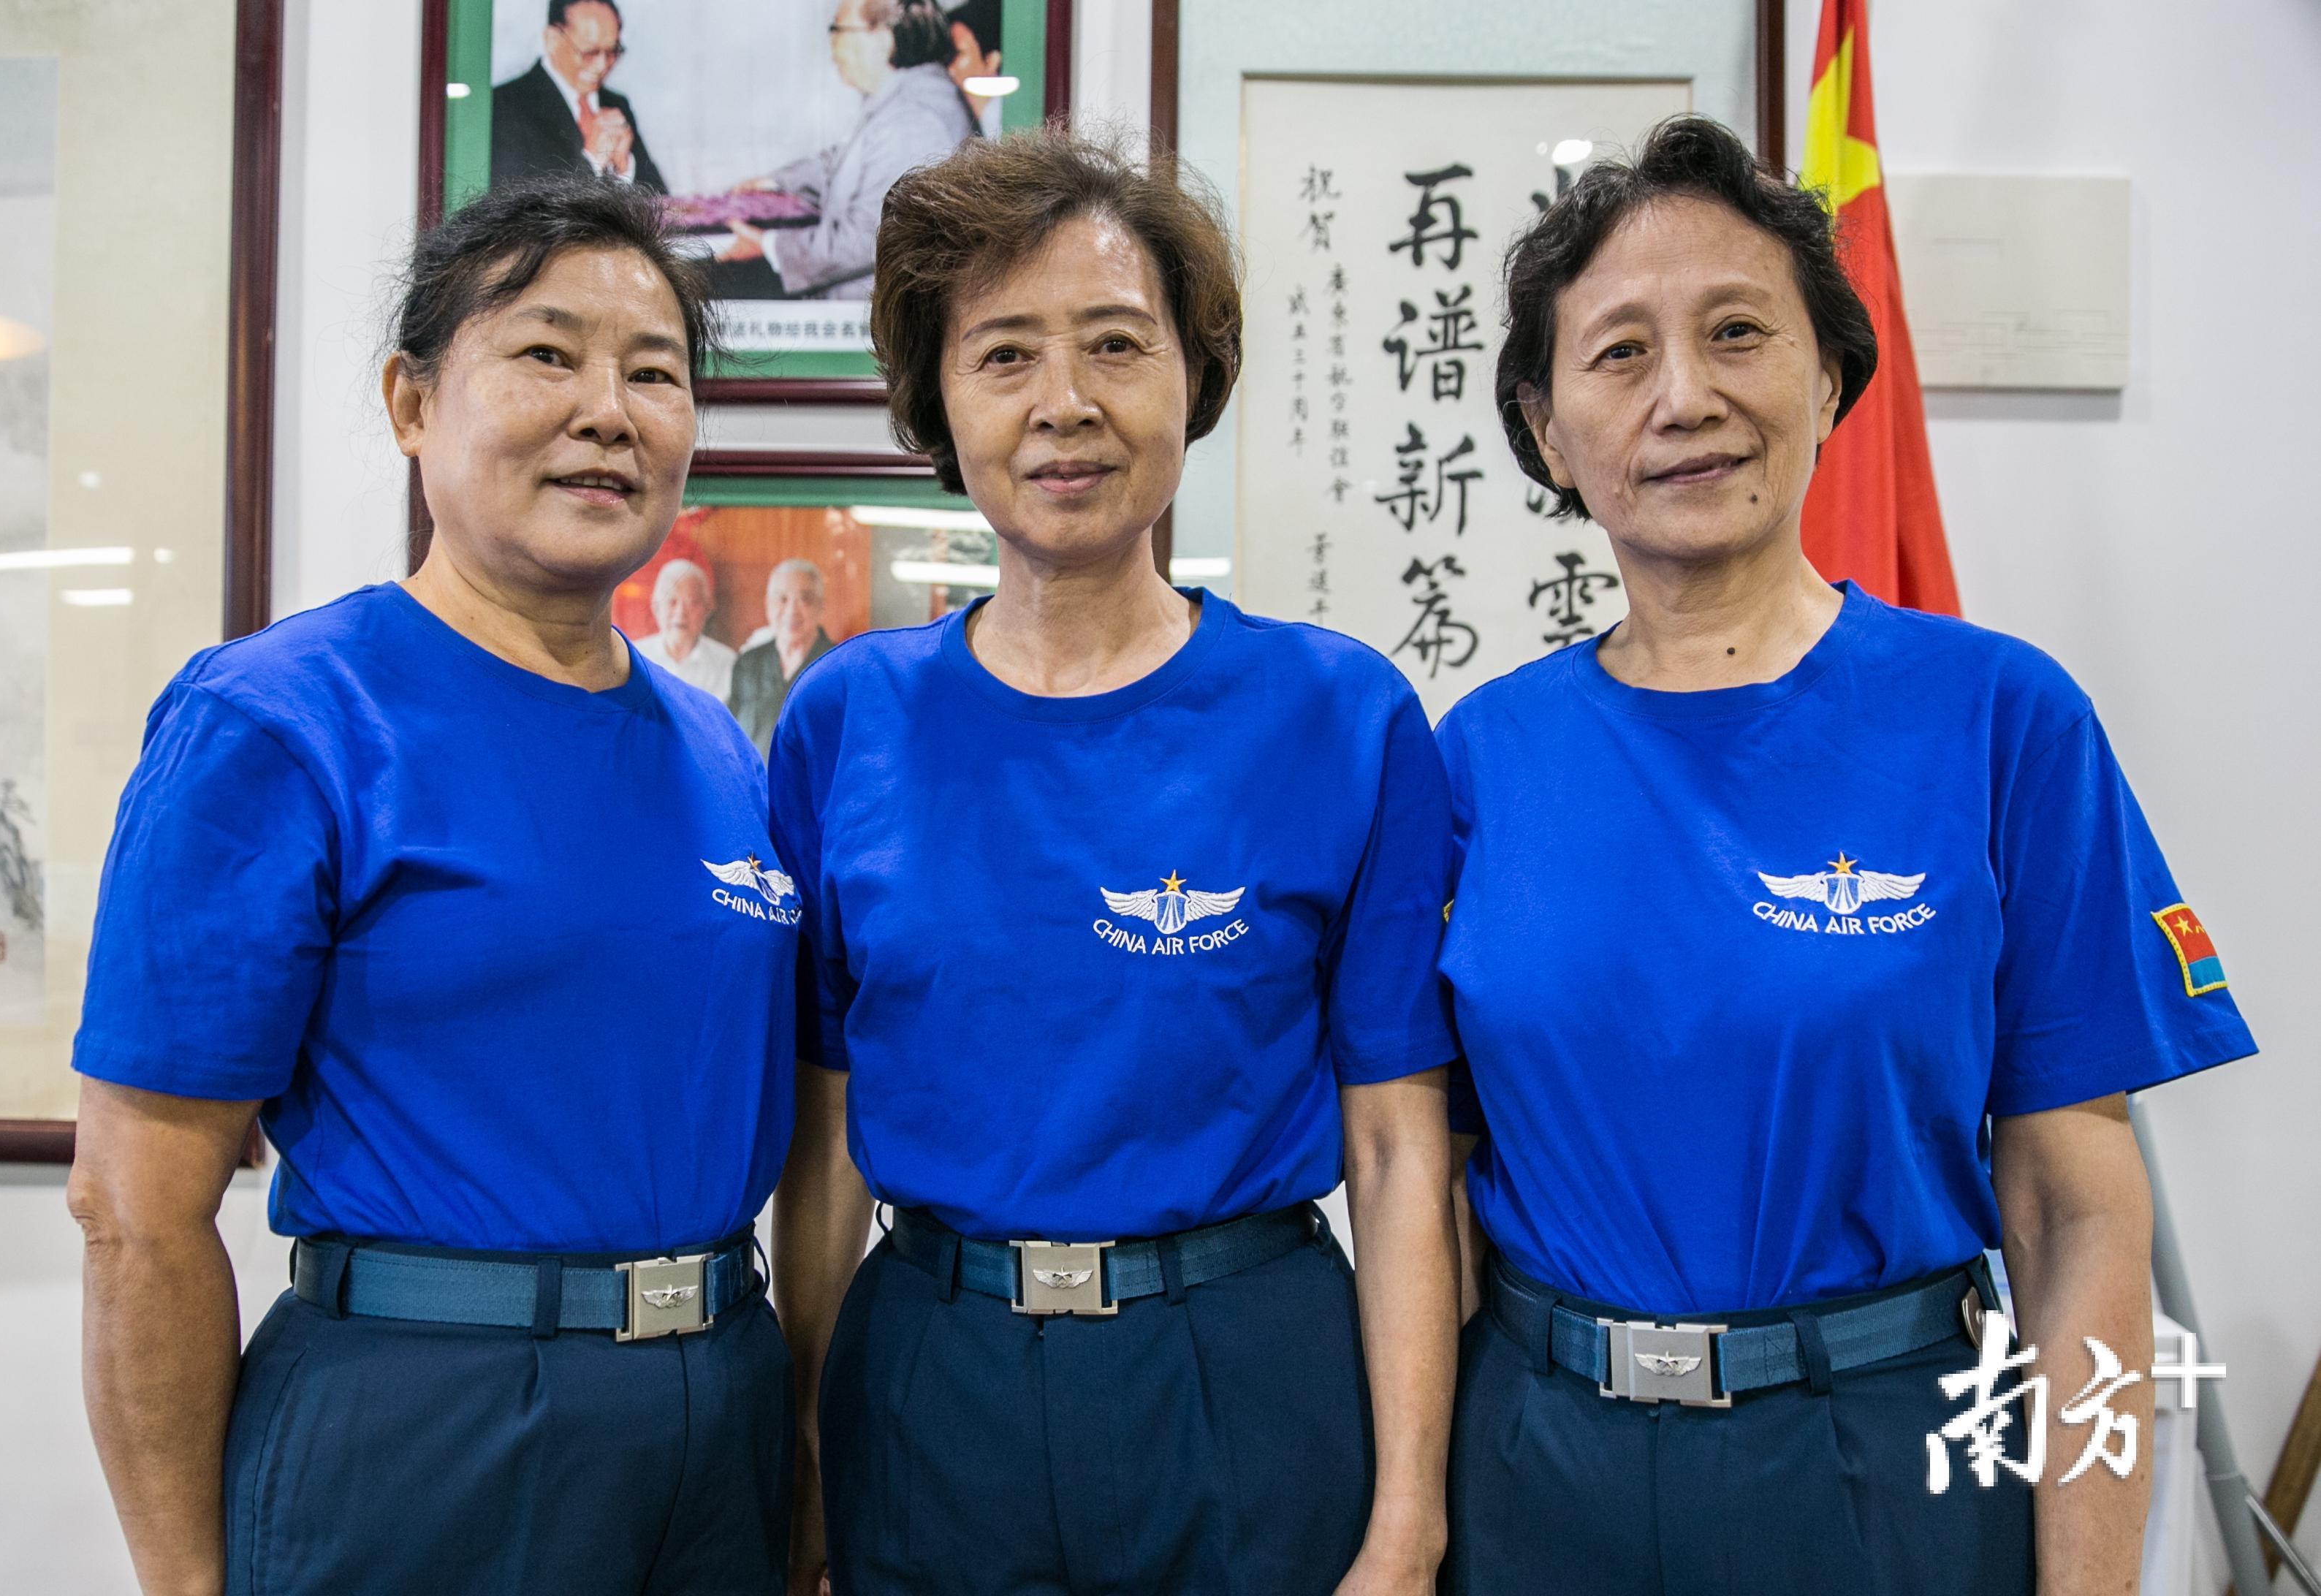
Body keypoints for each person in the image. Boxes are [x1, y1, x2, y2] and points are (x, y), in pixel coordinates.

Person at [1436, 115, 2257, 1595]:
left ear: (1829, 376)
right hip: (1535, 1466)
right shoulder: (1477, 758)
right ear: (1549, 429)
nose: (1685, 395)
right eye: (1619, 352)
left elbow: (2081, 1210)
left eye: (1740, 332)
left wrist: (2087, 1580)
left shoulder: (2001, 718)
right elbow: (1427, 1170)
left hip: (1882, 1463)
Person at [65, 173, 796, 1595]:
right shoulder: (280, 720)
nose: (609, 409)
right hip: (430, 1423)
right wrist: (181, 1578)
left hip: (721, 1411)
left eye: (654, 373)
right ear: (411, 404)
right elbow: (135, 1206)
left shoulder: (717, 745)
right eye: (546, 352)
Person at [767, 127, 1460, 1596]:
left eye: (1115, 345)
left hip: (1243, 1366)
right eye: (1003, 354)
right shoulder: (846, 720)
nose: (1062, 404)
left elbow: (1400, 1151)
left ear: (1192, 379)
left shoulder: (1339, 716)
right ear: (936, 400)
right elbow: (822, 1134)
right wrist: (806, 1451)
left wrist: (1409, 1516)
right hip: (930, 1370)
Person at [708, 0, 974, 301]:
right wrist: (776, 182)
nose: (832, 44)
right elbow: (849, 162)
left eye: (838, 30)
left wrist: (769, 245)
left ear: (883, 40)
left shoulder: (913, 120)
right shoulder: (910, 98)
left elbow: (868, 237)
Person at [491, 0, 667, 194]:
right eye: (590, 53)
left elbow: (663, 203)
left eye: (612, 51)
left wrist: (625, 169)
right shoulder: (504, 105)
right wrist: (590, 161)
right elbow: (517, 210)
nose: (602, 66)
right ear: (552, 40)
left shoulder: (617, 105)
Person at [727, 558, 832, 758]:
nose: (792, 610)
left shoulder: (837, 666)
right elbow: (733, 738)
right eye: (782, 599)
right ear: (767, 605)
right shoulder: (747, 664)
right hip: (758, 786)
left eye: (805, 599)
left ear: (821, 607)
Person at [634, 556, 737, 702]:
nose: (681, 612)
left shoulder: (727, 663)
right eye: (672, 602)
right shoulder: (634, 657)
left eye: (692, 603)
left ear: (708, 608)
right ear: (655, 606)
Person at [943, 1, 1005, 136]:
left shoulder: (1007, 122)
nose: (950, 69)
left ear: (991, 61)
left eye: (958, 54)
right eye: (946, 58)